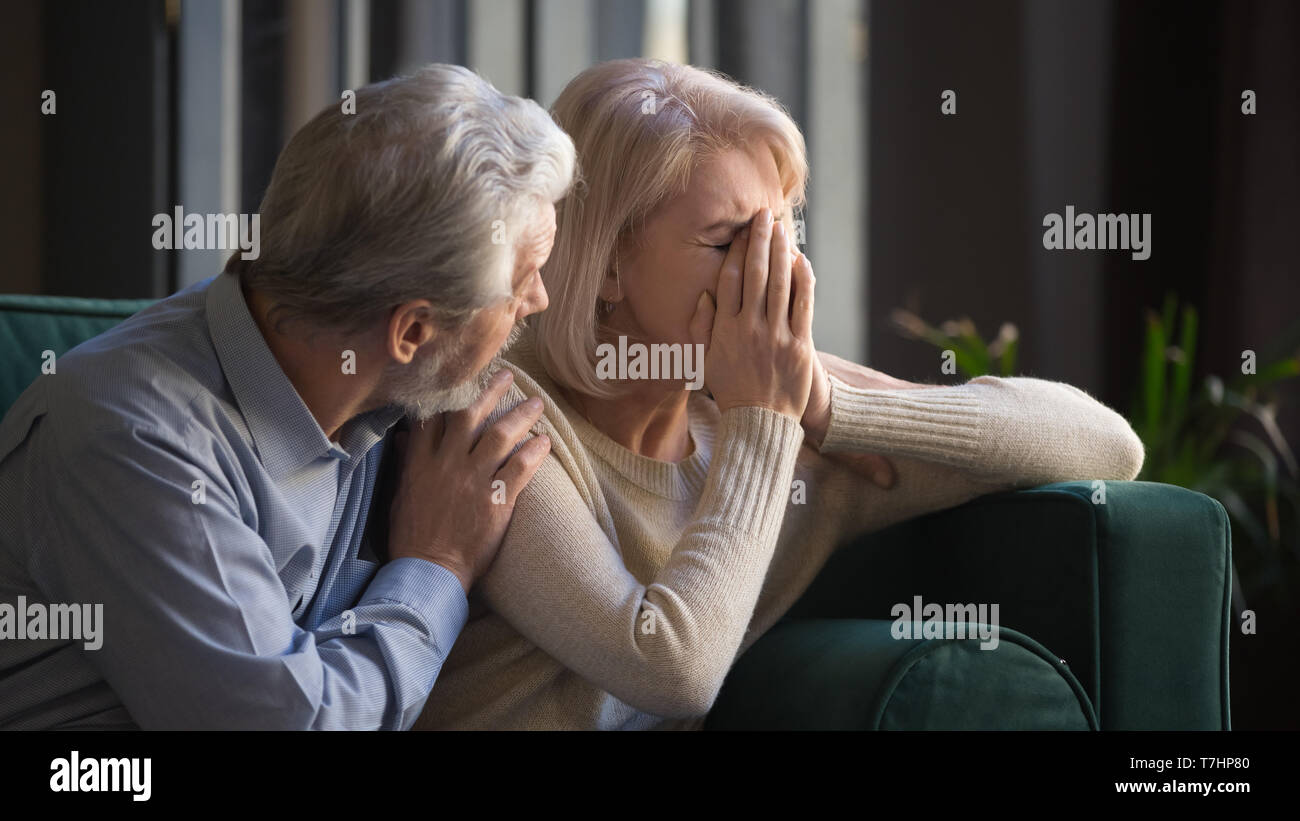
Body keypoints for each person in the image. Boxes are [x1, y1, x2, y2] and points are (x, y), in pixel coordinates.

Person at [414, 59, 1145, 730]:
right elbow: (671, 667)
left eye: (783, 233)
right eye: (731, 241)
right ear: (606, 262)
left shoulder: (782, 429)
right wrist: (763, 419)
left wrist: (828, 405)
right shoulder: (496, 415)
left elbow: (1111, 445)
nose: (777, 273)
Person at [0, 64, 575, 729]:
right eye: (524, 280)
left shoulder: (384, 388)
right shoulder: (131, 438)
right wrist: (437, 566)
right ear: (413, 329)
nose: (539, 301)